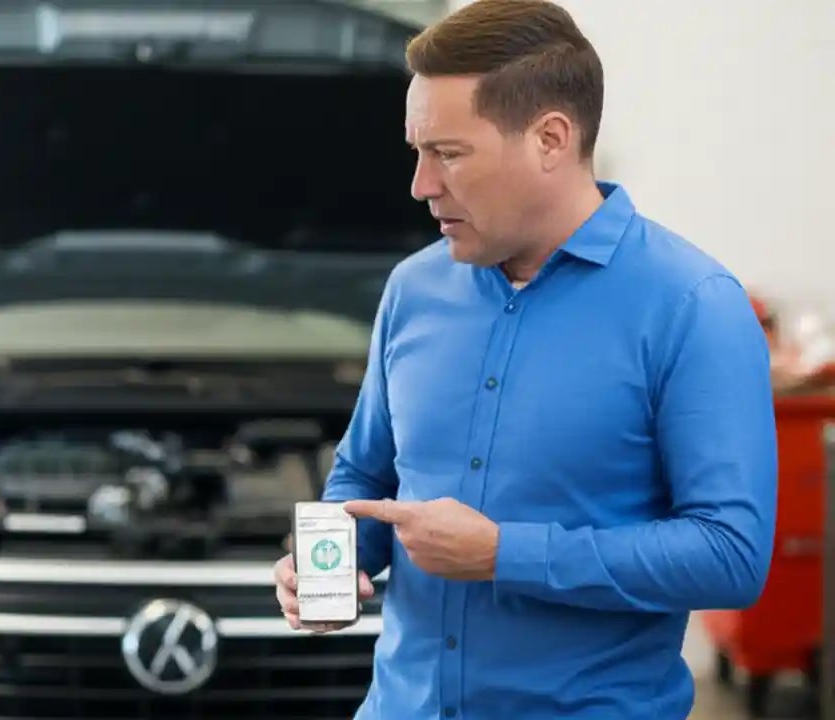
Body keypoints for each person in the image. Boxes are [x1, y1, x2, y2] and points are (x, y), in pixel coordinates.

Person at [272, 1, 778, 718]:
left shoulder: (693, 306)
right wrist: (334, 557)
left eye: (447, 153)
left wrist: (504, 553)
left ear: (550, 139)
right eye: (418, 152)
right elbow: (366, 474)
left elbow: (730, 554)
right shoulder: (413, 289)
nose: (421, 184)